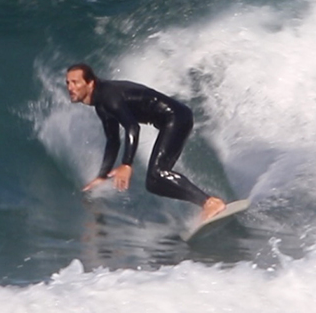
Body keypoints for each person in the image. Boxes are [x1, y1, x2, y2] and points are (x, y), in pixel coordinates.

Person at [65, 63, 226, 221]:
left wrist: (127, 164)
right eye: (68, 83)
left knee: (157, 173)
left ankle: (210, 202)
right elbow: (113, 141)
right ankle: (207, 203)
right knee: (153, 183)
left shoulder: (108, 97)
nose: (70, 87)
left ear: (90, 83)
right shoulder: (101, 105)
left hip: (175, 117)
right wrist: (102, 176)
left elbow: (132, 127)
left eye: (75, 82)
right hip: (173, 119)